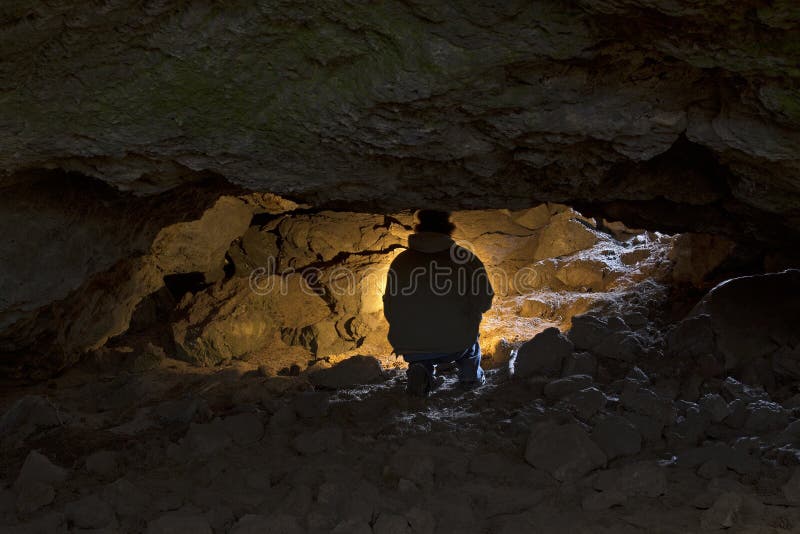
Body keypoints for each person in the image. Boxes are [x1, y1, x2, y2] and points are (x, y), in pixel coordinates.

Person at [383, 209, 494, 397]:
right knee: (471, 344)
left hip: (412, 347)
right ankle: (470, 377)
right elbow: (485, 302)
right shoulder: (465, 258)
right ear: (449, 228)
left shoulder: (401, 261)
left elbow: (390, 308)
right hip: (457, 345)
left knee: (421, 351)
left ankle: (421, 370)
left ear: (419, 229)